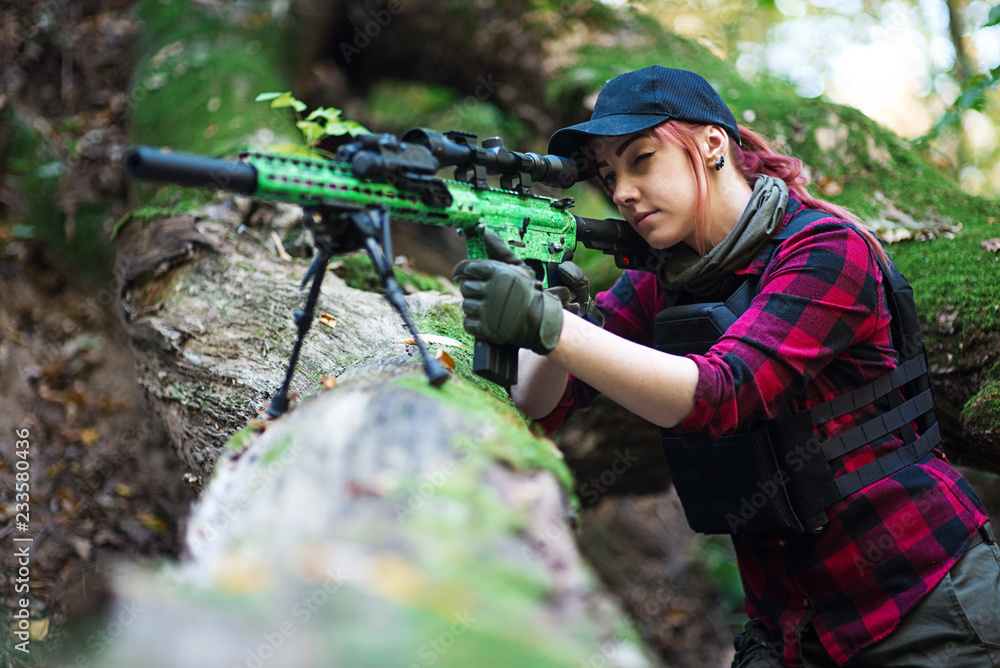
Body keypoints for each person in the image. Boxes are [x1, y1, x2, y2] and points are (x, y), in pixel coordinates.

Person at [452, 66, 1000, 667]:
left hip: (925, 605)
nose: (624, 192)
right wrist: (539, 291)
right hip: (788, 625)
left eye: (641, 160)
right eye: (609, 177)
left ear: (713, 144)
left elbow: (723, 391)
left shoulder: (825, 249)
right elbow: (540, 402)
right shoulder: (662, 276)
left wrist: (549, 326)